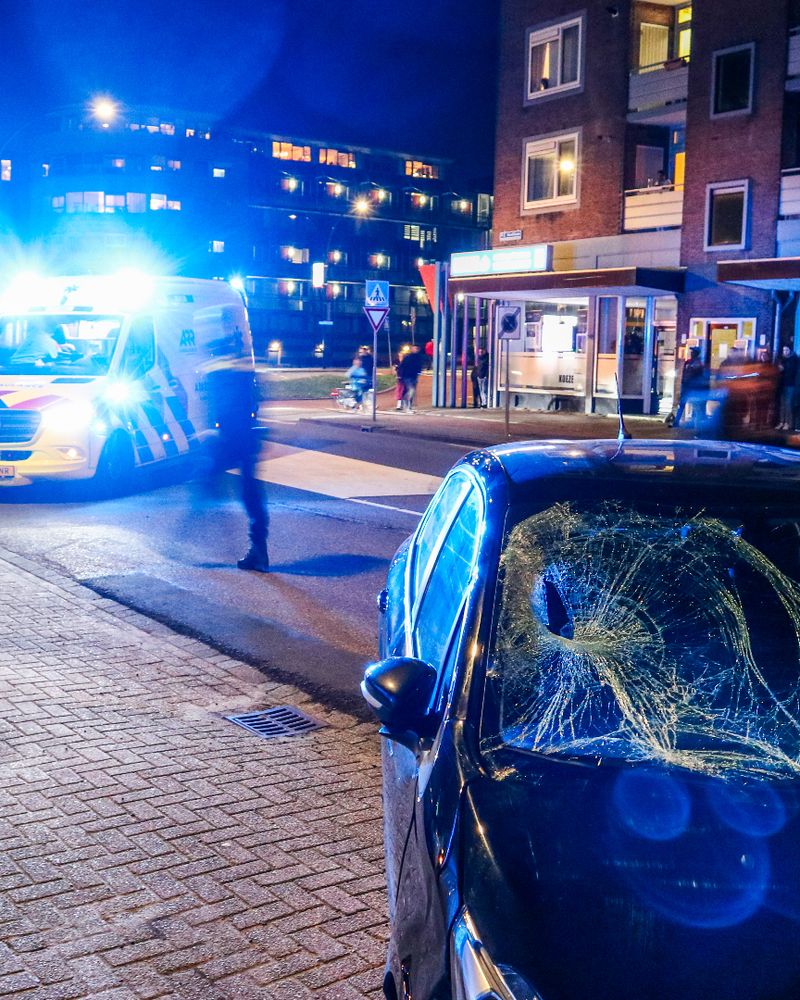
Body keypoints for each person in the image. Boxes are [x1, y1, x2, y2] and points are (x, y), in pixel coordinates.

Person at [202, 319, 269, 573]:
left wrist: (217, 432)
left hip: (232, 438)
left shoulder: (220, 373)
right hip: (247, 438)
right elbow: (255, 403)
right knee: (250, 493)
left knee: (208, 483)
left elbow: (222, 407)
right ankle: (258, 550)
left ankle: (190, 540)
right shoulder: (244, 370)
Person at [673, 346, 708, 429]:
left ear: (696, 353)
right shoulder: (688, 362)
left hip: (692, 387)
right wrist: (682, 383)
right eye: (691, 351)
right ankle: (676, 421)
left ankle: (693, 423)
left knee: (694, 405)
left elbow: (697, 376)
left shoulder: (698, 363)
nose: (691, 353)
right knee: (682, 404)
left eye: (693, 352)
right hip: (686, 386)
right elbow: (684, 374)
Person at [11, 323, 75, 366]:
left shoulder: (31, 336)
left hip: (12, 366)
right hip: (30, 367)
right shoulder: (50, 342)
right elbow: (57, 357)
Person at [397, 345, 424, 411]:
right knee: (411, 390)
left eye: (417, 349)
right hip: (407, 376)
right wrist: (400, 375)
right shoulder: (408, 357)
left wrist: (419, 371)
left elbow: (419, 366)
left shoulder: (418, 358)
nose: (416, 350)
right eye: (414, 348)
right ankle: (406, 403)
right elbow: (402, 366)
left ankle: (408, 405)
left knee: (411, 391)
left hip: (414, 376)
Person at [778, 344, 798, 430]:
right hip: (783, 384)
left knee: (788, 404)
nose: (785, 352)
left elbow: (792, 371)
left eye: (786, 350)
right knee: (782, 404)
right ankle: (782, 422)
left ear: (790, 350)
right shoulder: (782, 359)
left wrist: (784, 368)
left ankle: (788, 423)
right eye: (783, 350)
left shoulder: (794, 359)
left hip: (790, 384)